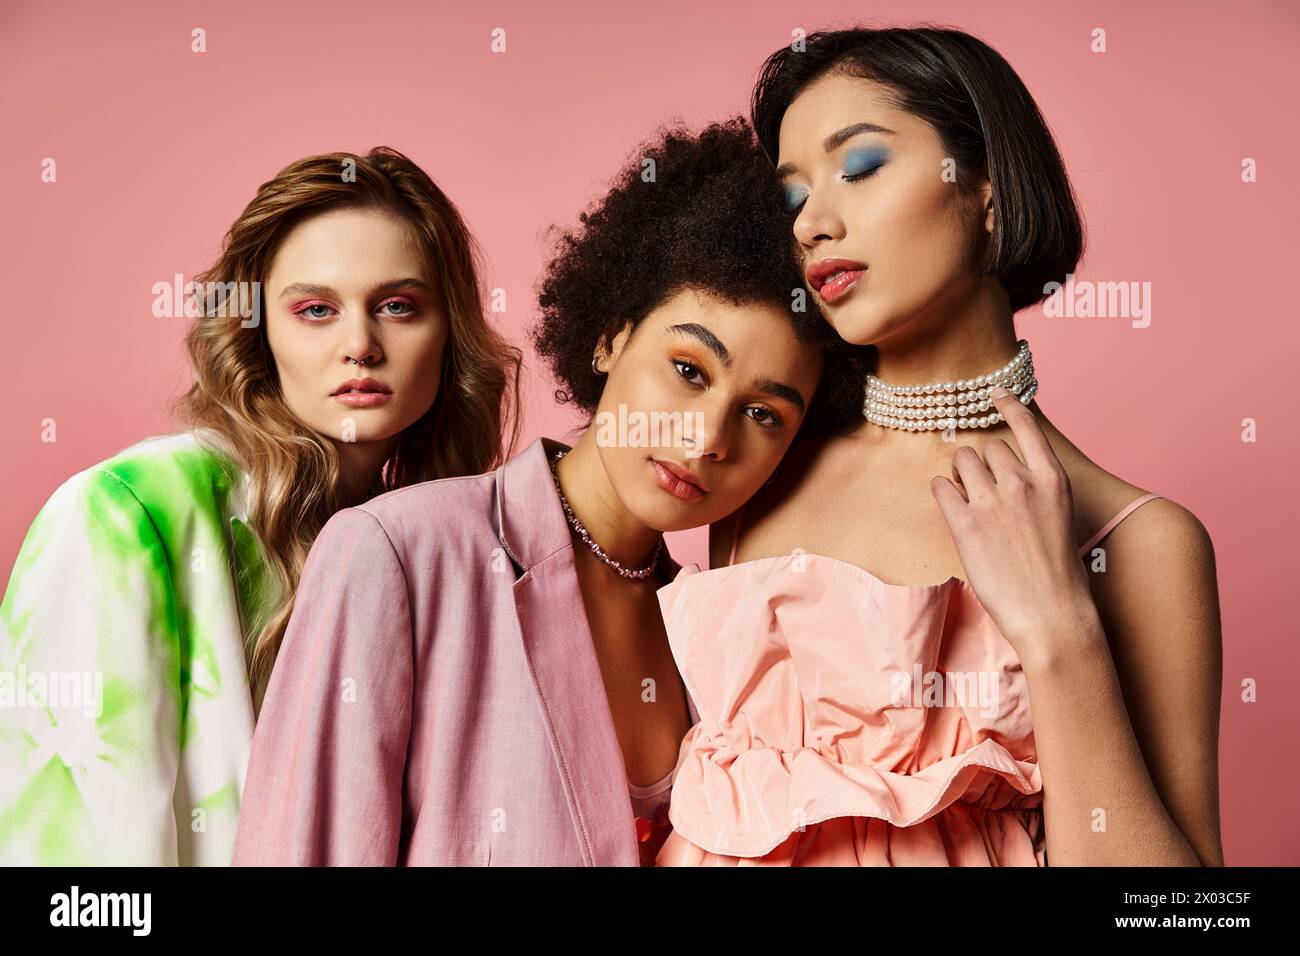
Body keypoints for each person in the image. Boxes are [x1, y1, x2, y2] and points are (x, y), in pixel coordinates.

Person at [232, 118, 871, 866]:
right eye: (689, 370)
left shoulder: (722, 640)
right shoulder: (399, 554)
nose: (706, 440)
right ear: (609, 338)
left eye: (763, 414)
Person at [656, 26, 1223, 867]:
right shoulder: (766, 466)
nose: (813, 221)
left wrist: (1059, 629)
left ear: (987, 187)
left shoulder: (1140, 541)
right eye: (792, 197)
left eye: (860, 166)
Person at [0, 146, 519, 865]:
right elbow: (76, 874)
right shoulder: (127, 514)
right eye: (315, 310)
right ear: (259, 333)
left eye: (399, 306)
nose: (360, 345)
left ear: (450, 333)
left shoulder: (441, 551)